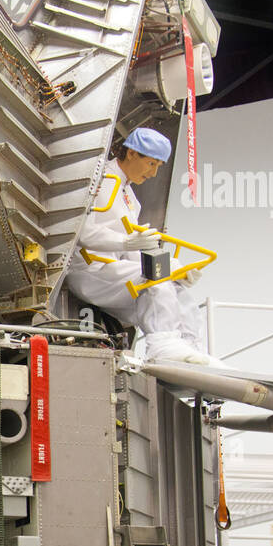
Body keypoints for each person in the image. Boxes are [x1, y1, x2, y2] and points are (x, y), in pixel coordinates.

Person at [64, 126, 222, 366]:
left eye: (159, 166)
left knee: (180, 293)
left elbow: (136, 253)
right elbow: (83, 232)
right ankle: (163, 346)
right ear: (132, 154)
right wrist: (125, 242)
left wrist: (175, 268)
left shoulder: (130, 198)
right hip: (89, 270)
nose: (154, 173)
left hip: (115, 271)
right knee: (154, 280)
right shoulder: (100, 180)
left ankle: (189, 349)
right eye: (152, 164)